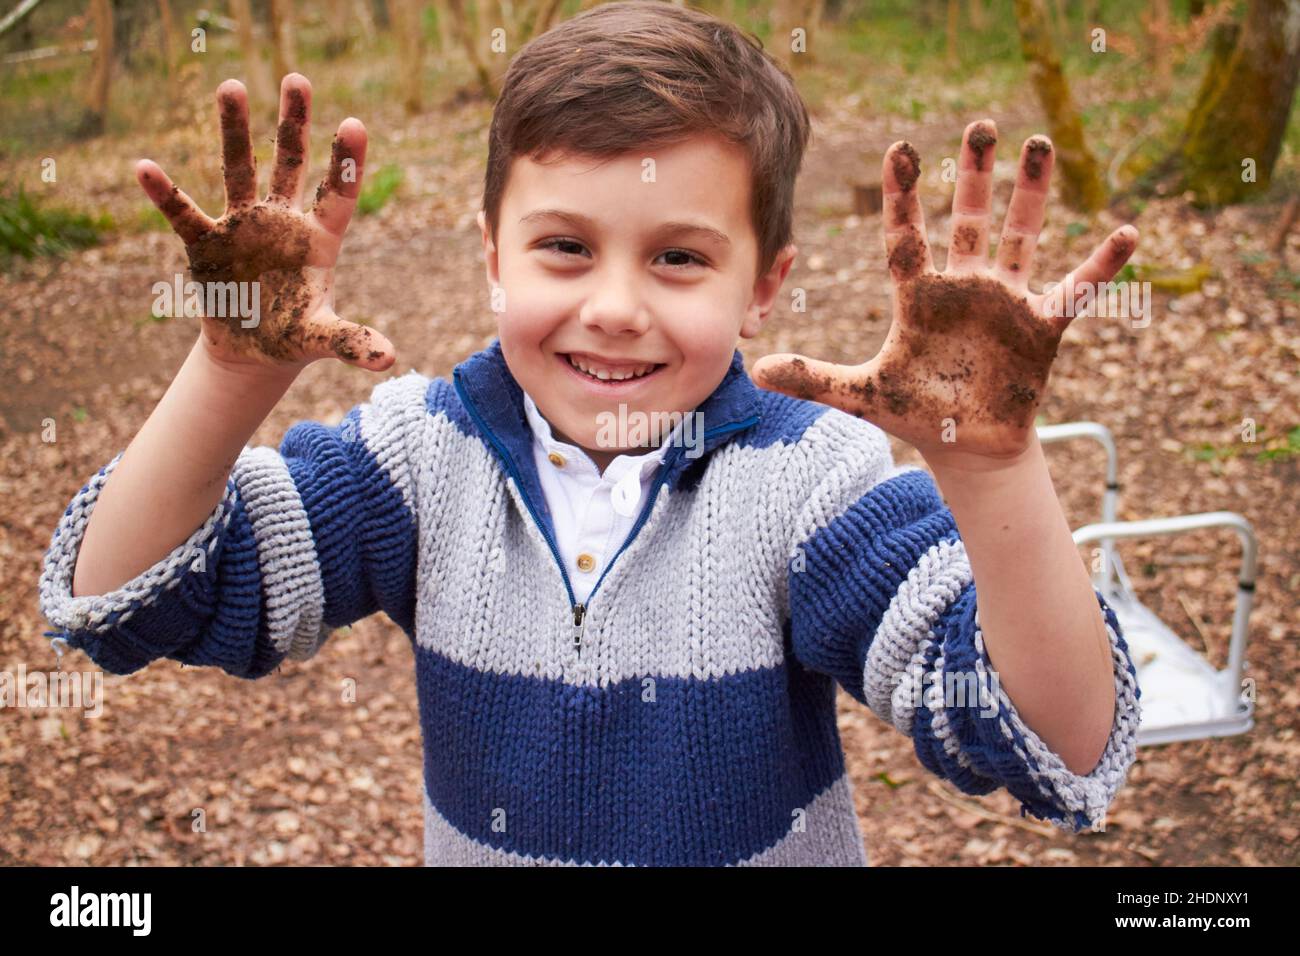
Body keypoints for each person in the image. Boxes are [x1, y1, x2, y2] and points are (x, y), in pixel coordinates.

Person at [39, 0, 1141, 866]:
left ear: (765, 286)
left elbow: (1055, 738)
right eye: (564, 246)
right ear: (491, 255)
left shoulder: (807, 481)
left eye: (677, 257)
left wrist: (990, 467)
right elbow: (127, 601)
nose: (615, 305)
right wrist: (231, 368)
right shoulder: (419, 461)